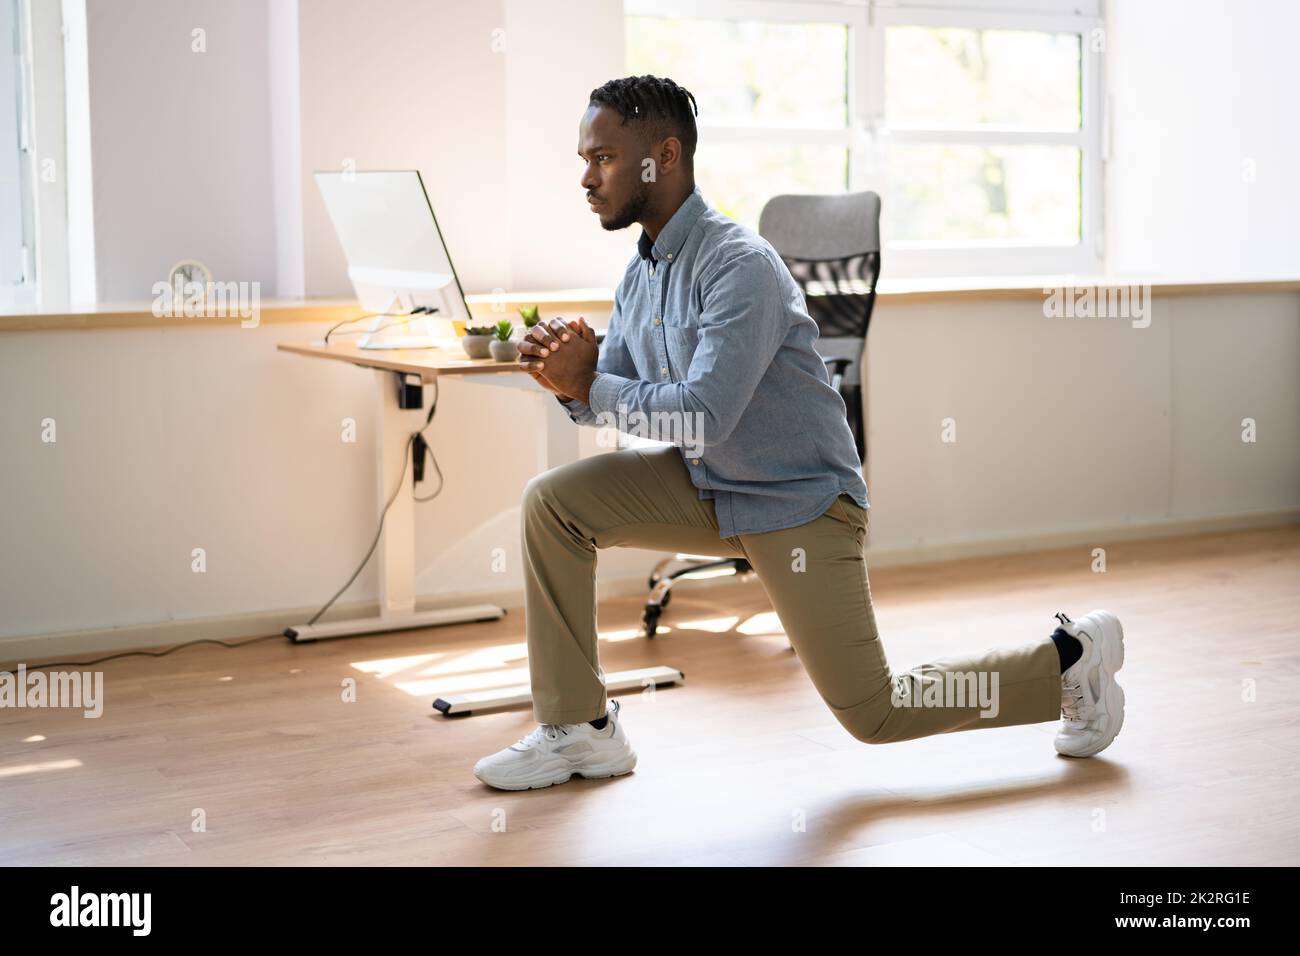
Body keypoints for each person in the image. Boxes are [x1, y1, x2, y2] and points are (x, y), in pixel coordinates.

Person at [472, 74, 1125, 791]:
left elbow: (702, 412)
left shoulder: (738, 266)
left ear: (664, 154)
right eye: (583, 159)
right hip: (710, 485)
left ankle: (1068, 661)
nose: (586, 178)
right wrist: (573, 380)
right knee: (554, 504)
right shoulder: (642, 273)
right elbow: (619, 399)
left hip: (800, 502)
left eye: (602, 158)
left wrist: (591, 383)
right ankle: (580, 730)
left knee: (877, 711)